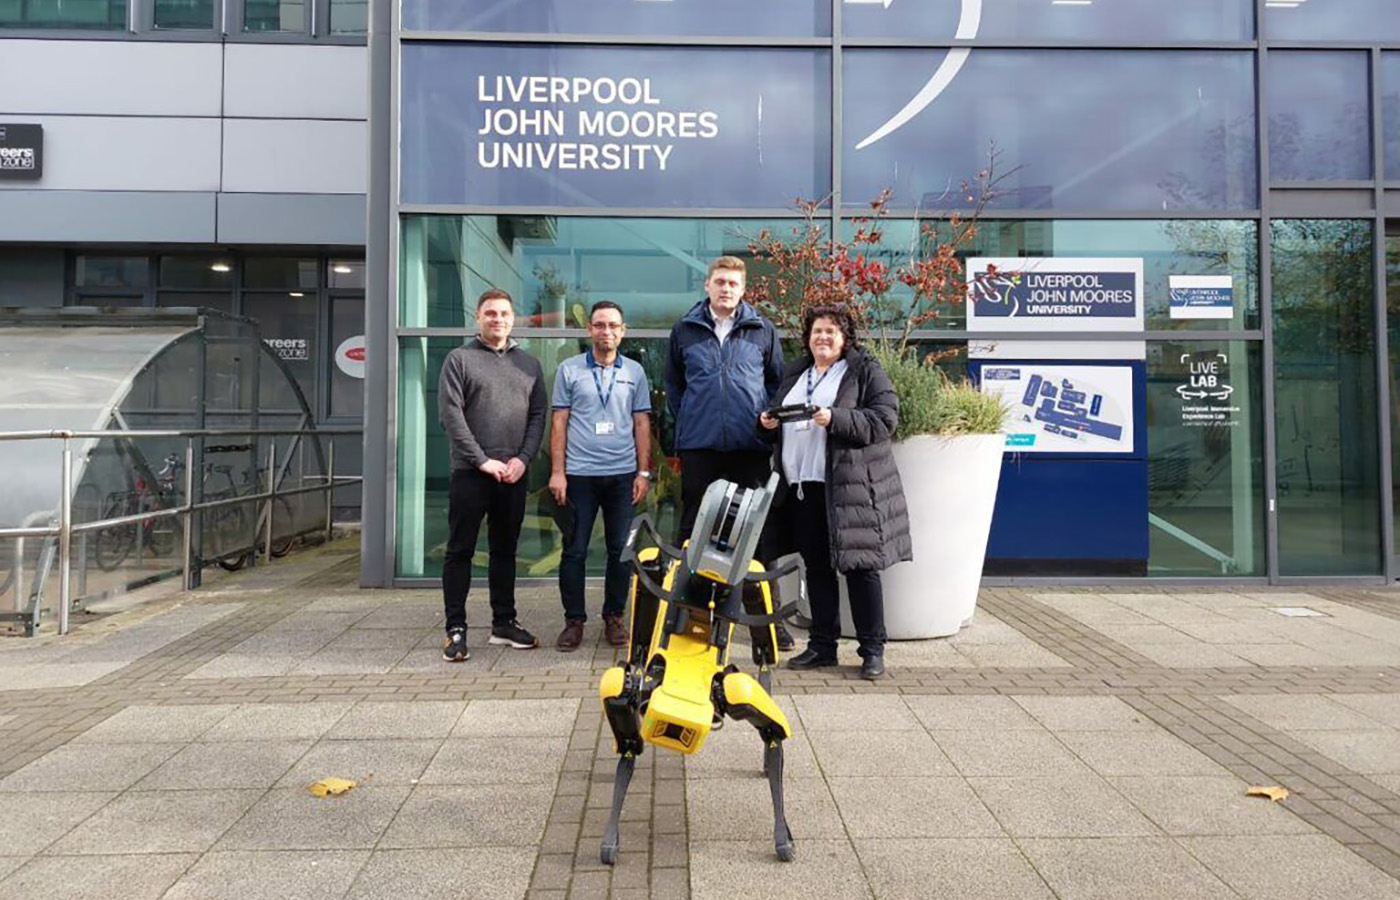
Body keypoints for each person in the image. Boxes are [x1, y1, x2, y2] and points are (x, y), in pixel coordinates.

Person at [759, 305, 912, 680]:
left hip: (849, 488)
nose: (822, 338)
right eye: (816, 331)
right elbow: (781, 419)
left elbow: (885, 419)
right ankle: (823, 645)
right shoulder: (798, 372)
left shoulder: (863, 371)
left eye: (831, 331)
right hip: (802, 487)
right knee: (818, 569)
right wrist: (766, 423)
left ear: (845, 339)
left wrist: (836, 418)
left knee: (861, 569)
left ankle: (872, 650)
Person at [665, 255, 795, 650]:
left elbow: (777, 383)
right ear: (707, 285)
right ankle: (689, 615)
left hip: (749, 447)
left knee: (755, 535)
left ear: (743, 290)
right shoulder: (684, 330)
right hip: (700, 449)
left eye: (733, 284)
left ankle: (766, 626)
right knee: (693, 531)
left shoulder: (762, 330)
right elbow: (674, 386)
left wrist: (765, 421)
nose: (726, 289)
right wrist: (692, 420)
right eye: (719, 281)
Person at [437, 288, 547, 661]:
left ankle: (504, 622)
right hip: (471, 473)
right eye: (490, 314)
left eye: (503, 314)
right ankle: (455, 629)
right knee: (460, 551)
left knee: (505, 552)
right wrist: (483, 460)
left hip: (513, 474)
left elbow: (537, 417)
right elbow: (451, 416)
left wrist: (524, 458)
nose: (497, 319)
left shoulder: (529, 365)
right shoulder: (459, 359)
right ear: (478, 318)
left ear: (513, 319)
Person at [549, 301, 653, 651]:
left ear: (622, 331)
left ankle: (614, 617)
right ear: (589, 330)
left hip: (623, 475)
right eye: (599, 325)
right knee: (574, 550)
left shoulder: (635, 372)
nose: (606, 331)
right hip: (579, 475)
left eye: (612, 325)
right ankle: (574, 621)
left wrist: (643, 472)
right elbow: (559, 422)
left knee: (619, 551)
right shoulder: (569, 369)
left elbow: (642, 423)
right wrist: (558, 472)